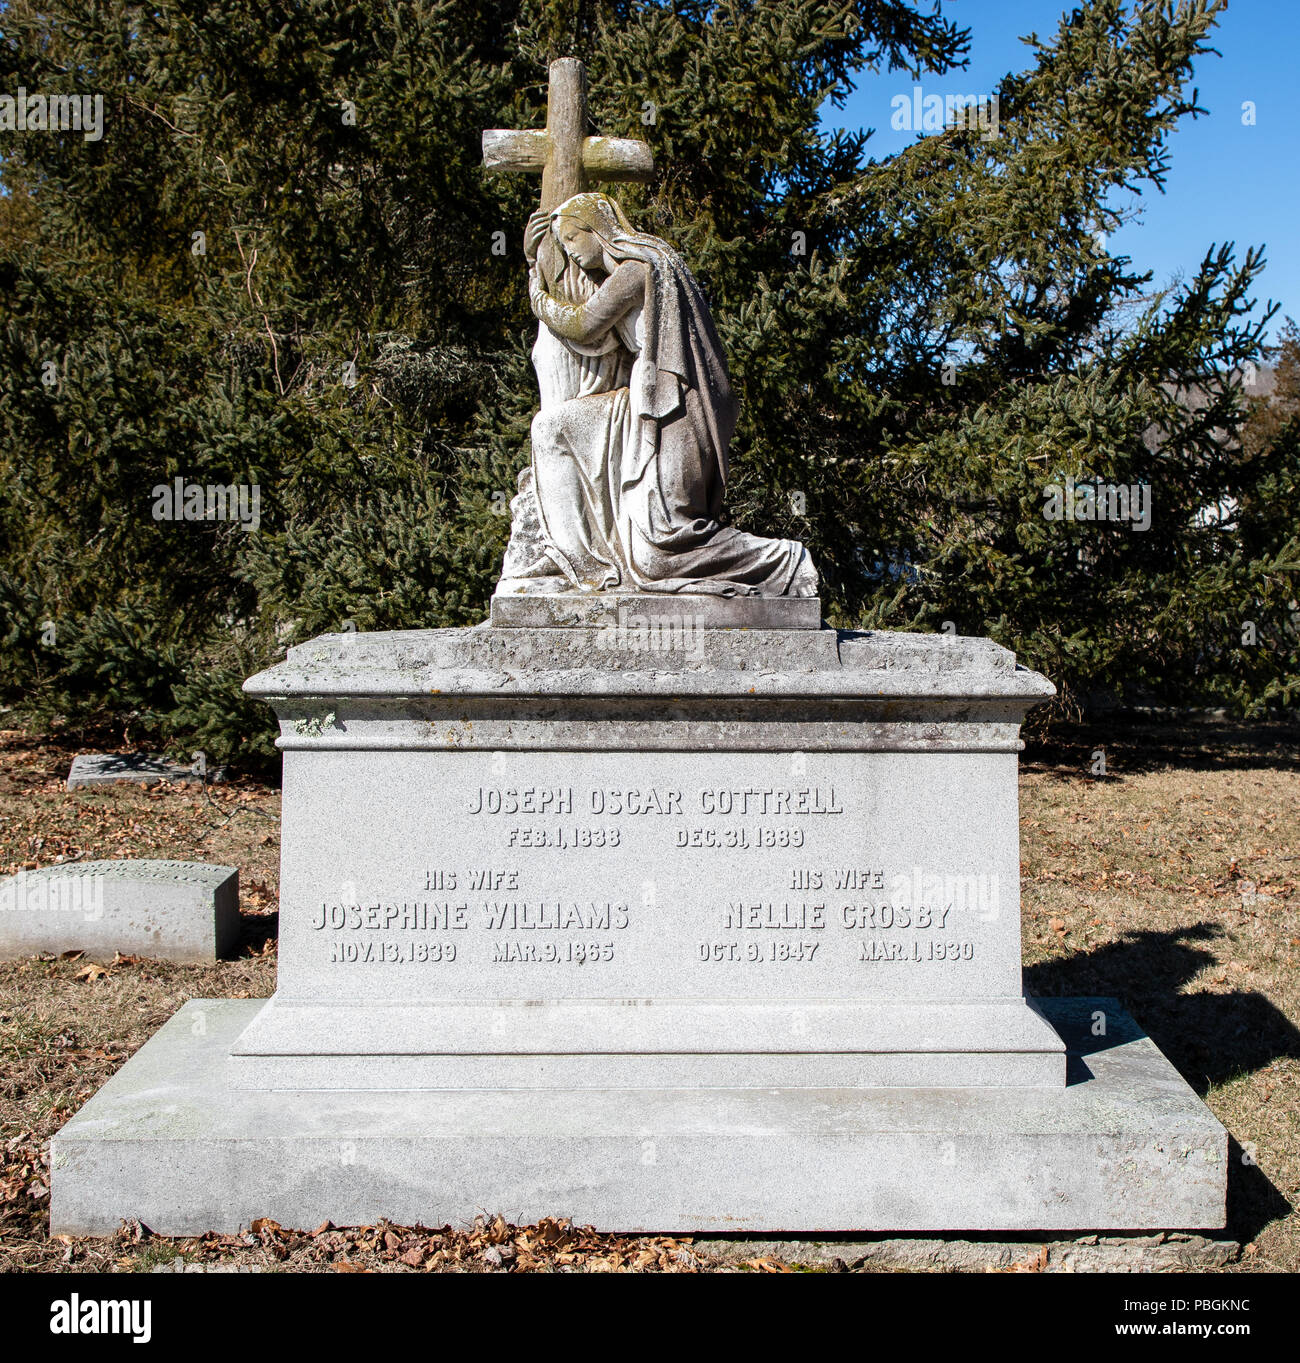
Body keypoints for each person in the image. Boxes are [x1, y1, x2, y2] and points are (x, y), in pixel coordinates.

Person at [520, 191, 816, 597]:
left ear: (596, 230)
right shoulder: (646, 265)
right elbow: (595, 335)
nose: (569, 253)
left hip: (674, 406)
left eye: (571, 239)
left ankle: (784, 561)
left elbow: (585, 325)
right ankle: (578, 562)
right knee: (552, 426)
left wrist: (537, 291)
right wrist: (538, 256)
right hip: (646, 399)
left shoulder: (637, 269)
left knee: (662, 548)